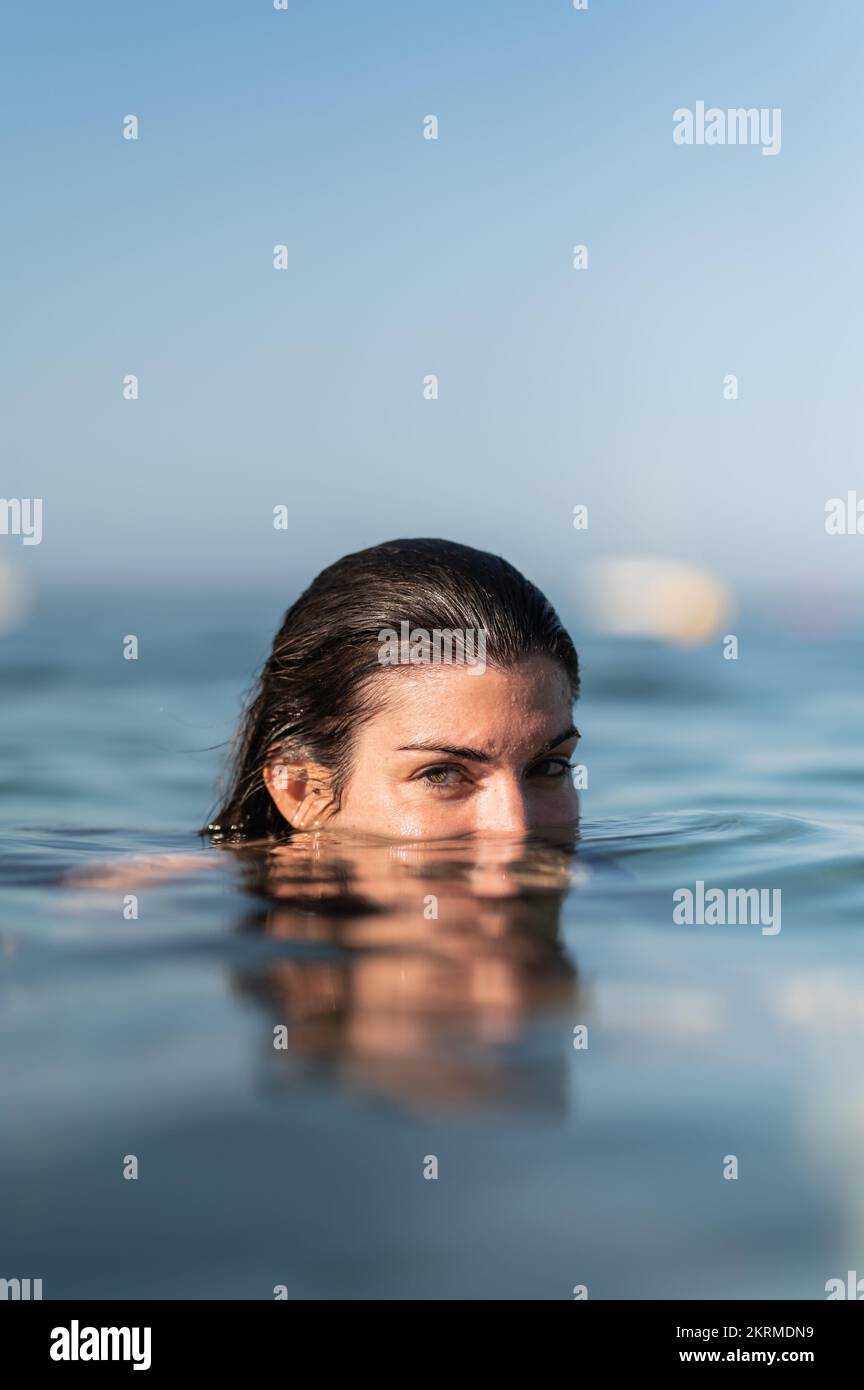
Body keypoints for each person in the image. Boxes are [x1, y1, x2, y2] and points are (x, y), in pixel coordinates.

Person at [208, 537, 581, 842]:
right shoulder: (175, 912)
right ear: (303, 790)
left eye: (548, 768)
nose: (515, 832)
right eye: (441, 774)